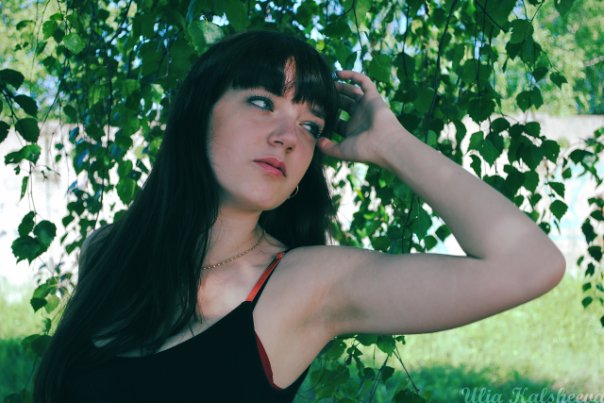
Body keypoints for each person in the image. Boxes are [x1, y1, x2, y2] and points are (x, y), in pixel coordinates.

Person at [34, 30, 565, 402]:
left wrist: (392, 144)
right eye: (263, 102)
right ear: (198, 111)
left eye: (311, 125)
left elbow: (529, 265)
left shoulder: (307, 285)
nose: (288, 136)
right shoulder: (109, 251)